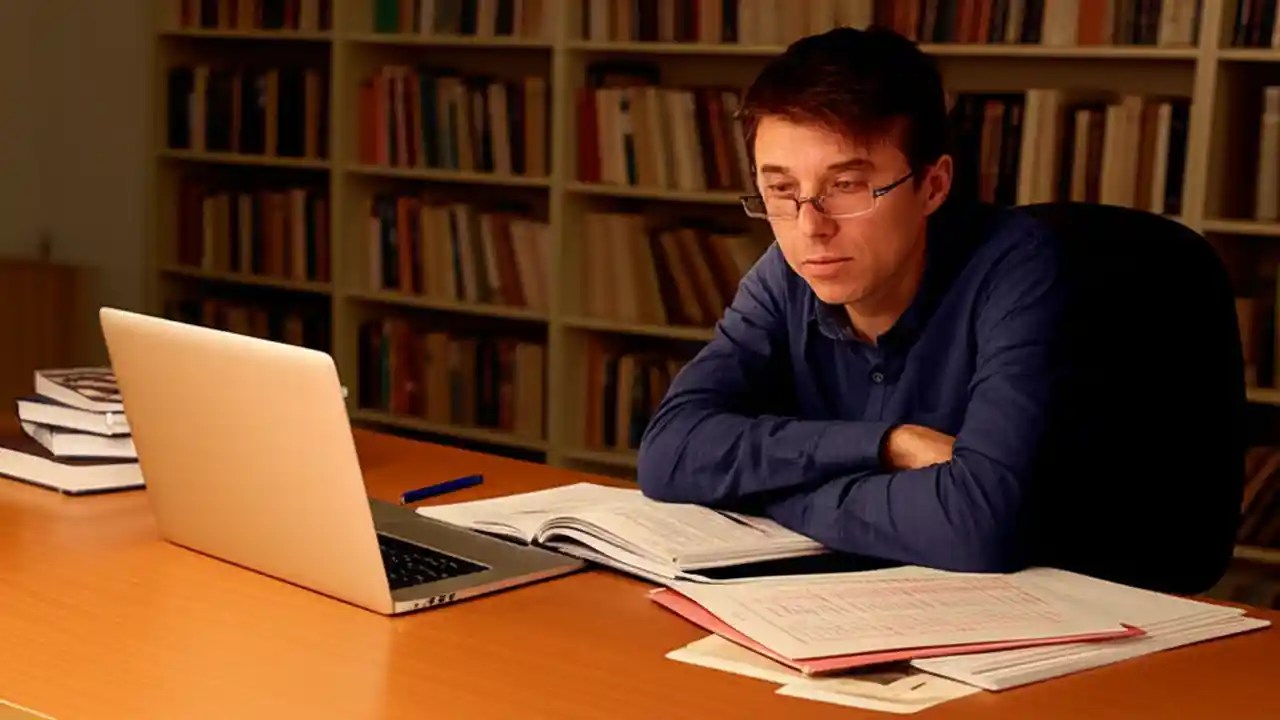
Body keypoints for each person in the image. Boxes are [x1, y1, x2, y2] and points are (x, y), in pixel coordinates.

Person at [635, 25, 1069, 574]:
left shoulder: (1019, 269)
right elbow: (668, 453)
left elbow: (977, 525)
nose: (810, 227)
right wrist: (886, 445)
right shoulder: (789, 273)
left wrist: (759, 493)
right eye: (782, 190)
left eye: (846, 187)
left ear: (933, 186)